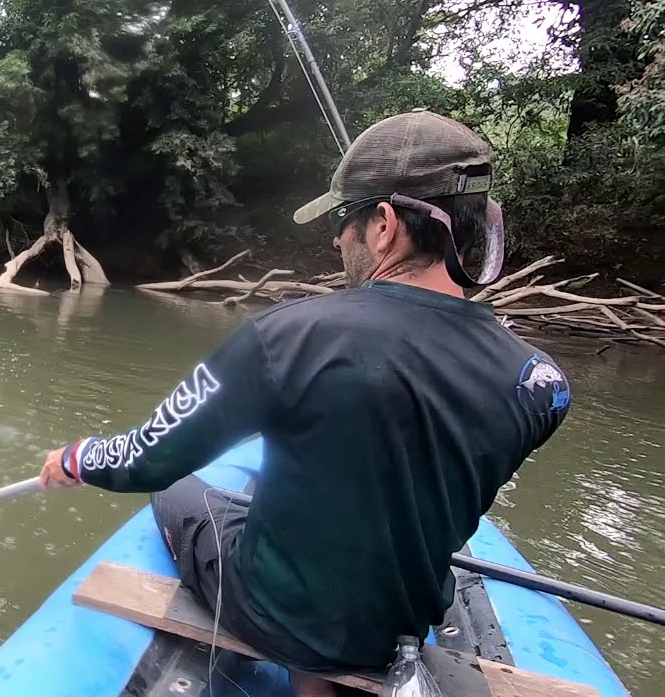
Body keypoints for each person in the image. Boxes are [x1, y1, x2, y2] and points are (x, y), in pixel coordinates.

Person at [36, 109, 573, 696]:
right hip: (397, 628)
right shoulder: (539, 383)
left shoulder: (287, 338)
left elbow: (150, 457)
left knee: (178, 491)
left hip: (274, 615)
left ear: (385, 224)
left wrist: (78, 458)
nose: (337, 236)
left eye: (346, 219)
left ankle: (306, 672)